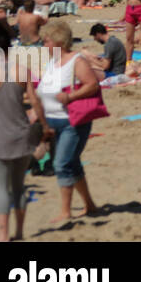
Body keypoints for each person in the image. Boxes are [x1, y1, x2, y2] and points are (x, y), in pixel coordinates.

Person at [0, 19, 43, 240]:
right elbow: (34, 102)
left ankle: (3, 234)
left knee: (2, 188)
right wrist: (45, 126)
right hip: (21, 132)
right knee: (18, 187)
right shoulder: (22, 70)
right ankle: (20, 231)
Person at [31, 20, 102, 225]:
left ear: (58, 41)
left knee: (61, 163)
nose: (44, 46)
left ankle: (65, 211)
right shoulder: (52, 64)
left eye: (46, 41)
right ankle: (90, 204)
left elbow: (92, 85)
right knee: (72, 163)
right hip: (54, 121)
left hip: (73, 120)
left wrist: (71, 97)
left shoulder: (76, 61)